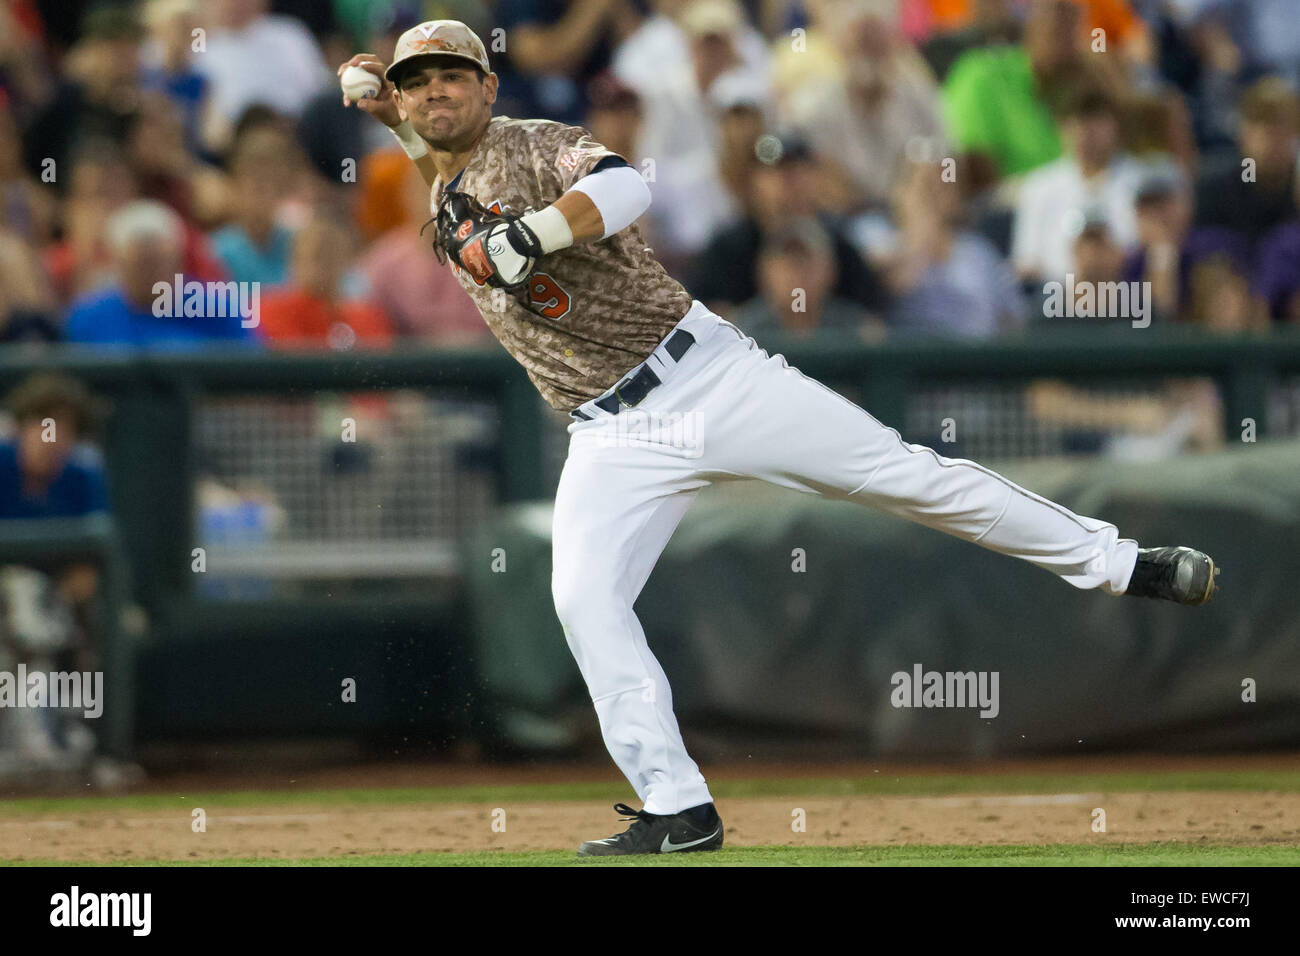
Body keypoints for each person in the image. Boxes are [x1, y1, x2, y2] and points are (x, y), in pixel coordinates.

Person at [340, 19, 1220, 858]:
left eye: (453, 74)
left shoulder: (532, 143)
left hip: (707, 376)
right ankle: (678, 807)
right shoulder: (442, 181)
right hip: (609, 434)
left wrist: (535, 229)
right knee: (583, 598)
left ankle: (1119, 562)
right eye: (419, 83)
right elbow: (442, 161)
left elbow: (626, 186)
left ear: (488, 84)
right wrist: (387, 114)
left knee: (904, 476)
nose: (435, 92)